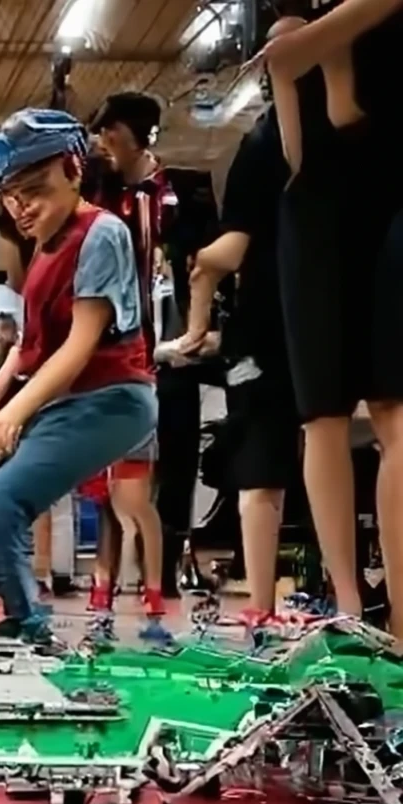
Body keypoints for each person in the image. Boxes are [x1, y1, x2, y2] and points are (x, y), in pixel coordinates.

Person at [0, 109, 157, 648]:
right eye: (10, 197)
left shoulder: (102, 234)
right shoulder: (46, 248)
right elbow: (25, 348)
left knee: (1, 503)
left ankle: (31, 628)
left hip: (113, 398)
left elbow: (81, 342)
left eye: (34, 191)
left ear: (73, 169)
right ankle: (20, 615)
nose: (21, 209)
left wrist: (12, 416)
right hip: (71, 402)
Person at [264, 0, 403, 636]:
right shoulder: (300, 29)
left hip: (372, 200)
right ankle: (351, 605)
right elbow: (316, 135)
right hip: (321, 212)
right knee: (327, 413)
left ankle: (390, 611)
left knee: (391, 409)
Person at [173, 60, 297, 625]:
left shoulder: (262, 143)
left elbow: (215, 260)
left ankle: (262, 605)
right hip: (318, 319)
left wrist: (197, 327)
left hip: (264, 333)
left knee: (261, 462)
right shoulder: (341, 130)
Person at [80, 92, 176, 618]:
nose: (102, 142)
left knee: (135, 493)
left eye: (109, 132)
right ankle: (104, 583)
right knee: (105, 493)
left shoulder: (166, 197)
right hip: (100, 356)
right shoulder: (103, 188)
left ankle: (154, 588)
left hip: (140, 357)